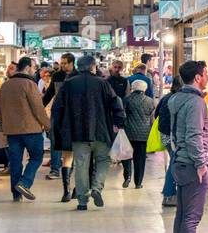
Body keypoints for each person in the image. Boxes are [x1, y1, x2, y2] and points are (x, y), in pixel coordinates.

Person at [51, 53, 125, 211]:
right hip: (101, 131)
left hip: (78, 133)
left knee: (81, 165)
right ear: (93, 67)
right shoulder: (103, 83)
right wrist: (120, 122)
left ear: (78, 67)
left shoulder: (69, 84)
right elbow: (116, 102)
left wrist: (58, 128)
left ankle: (82, 201)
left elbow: (57, 108)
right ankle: (97, 188)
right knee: (103, 160)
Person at [168, 61, 208, 233]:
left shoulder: (176, 98)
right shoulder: (196, 102)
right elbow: (194, 135)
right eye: (206, 74)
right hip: (192, 164)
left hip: (179, 160)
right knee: (192, 216)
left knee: (182, 213)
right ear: (197, 77)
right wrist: (201, 163)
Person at [0, 56, 48, 202]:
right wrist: (48, 125)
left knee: (15, 162)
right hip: (31, 130)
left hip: (12, 131)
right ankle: (24, 183)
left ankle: (16, 195)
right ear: (27, 68)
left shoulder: (5, 85)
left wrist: (2, 126)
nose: (34, 70)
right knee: (36, 157)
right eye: (33, 67)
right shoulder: (30, 84)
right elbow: (38, 109)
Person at [43, 52, 76, 190]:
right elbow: (50, 93)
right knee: (55, 139)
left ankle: (70, 167)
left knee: (73, 141)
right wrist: (40, 107)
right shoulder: (57, 76)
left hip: (73, 113)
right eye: (61, 63)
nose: (62, 66)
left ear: (71, 63)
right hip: (58, 111)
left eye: (64, 63)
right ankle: (55, 169)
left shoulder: (77, 76)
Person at [120, 79, 156, 188]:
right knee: (140, 159)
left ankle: (127, 176)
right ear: (145, 89)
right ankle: (138, 183)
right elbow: (152, 117)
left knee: (126, 155)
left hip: (128, 132)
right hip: (143, 134)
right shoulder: (150, 101)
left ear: (132, 88)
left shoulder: (126, 100)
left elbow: (122, 115)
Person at [156, 76, 182, 208]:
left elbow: (156, 114)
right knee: (174, 163)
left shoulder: (166, 97)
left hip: (165, 135)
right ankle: (169, 194)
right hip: (173, 136)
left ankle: (170, 193)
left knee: (174, 162)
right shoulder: (179, 99)